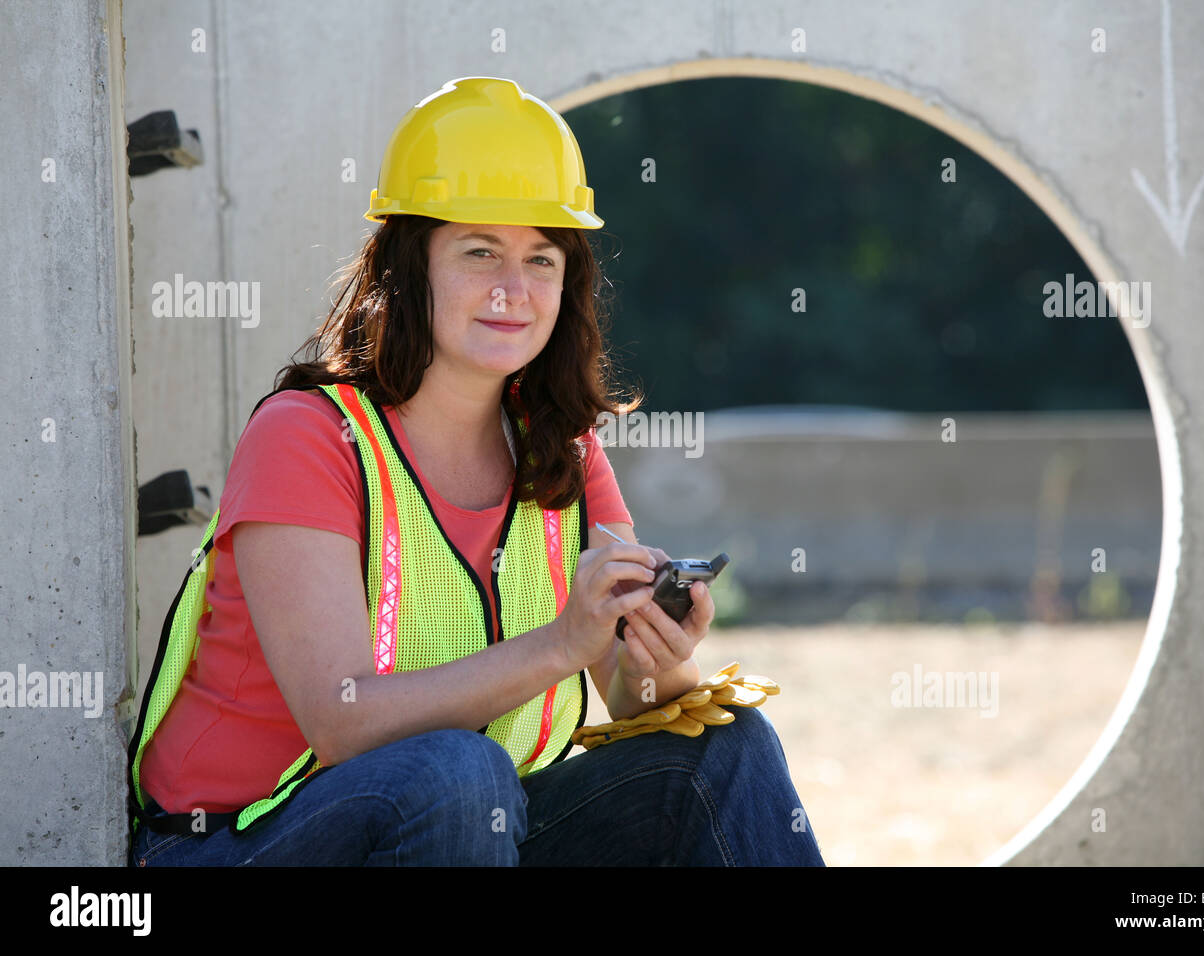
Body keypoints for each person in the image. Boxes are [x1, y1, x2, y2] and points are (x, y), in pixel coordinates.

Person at [129, 76, 824, 866]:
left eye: (541, 258)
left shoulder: (561, 445)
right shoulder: (306, 438)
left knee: (725, 746)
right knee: (460, 771)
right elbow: (340, 720)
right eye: (479, 251)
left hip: (464, 827)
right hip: (228, 844)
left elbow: (624, 689)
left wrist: (659, 658)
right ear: (407, 265)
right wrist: (563, 642)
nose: (513, 289)